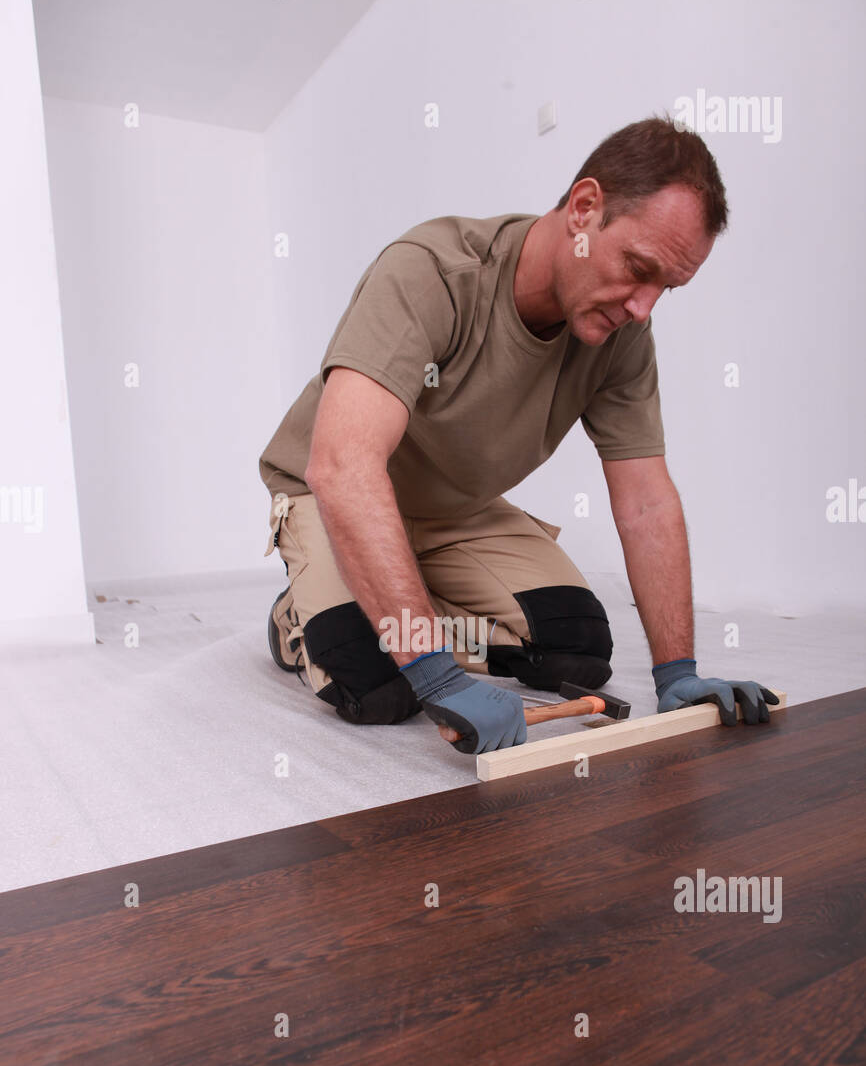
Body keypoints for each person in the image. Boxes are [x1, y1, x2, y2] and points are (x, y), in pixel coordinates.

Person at [259, 114, 777, 755]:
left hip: (453, 509)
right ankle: (299, 621)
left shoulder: (623, 336)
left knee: (573, 647)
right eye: (639, 268)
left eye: (665, 287)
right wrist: (432, 669)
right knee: (379, 685)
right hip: (335, 496)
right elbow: (343, 467)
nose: (644, 307)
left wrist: (678, 672)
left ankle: (396, 605)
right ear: (585, 209)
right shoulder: (433, 273)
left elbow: (644, 498)